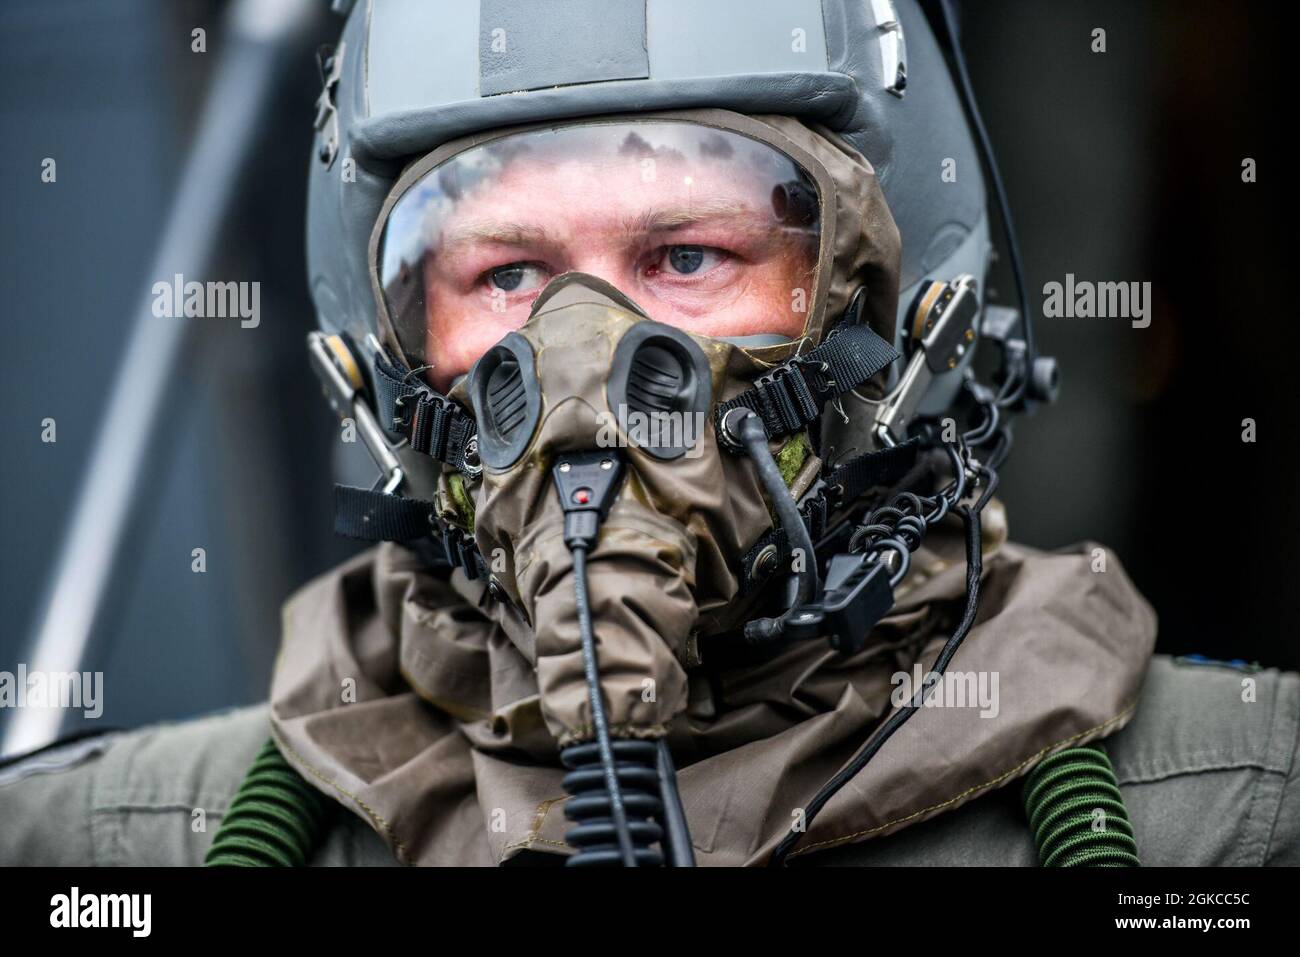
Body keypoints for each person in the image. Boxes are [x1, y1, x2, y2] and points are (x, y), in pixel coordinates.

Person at [2, 0, 1297, 868]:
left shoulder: (1232, 812)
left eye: (687, 255)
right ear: (388, 357)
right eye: (505, 275)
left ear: (884, 311)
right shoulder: (115, 844)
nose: (588, 360)